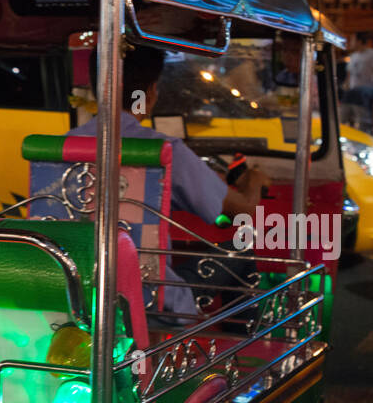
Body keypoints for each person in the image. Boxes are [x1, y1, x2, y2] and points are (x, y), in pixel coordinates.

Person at [70, 44, 269, 316]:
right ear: (150, 92)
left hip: (77, 291)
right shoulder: (163, 150)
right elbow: (242, 212)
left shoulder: (64, 145)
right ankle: (241, 351)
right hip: (149, 299)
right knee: (242, 247)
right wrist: (253, 180)